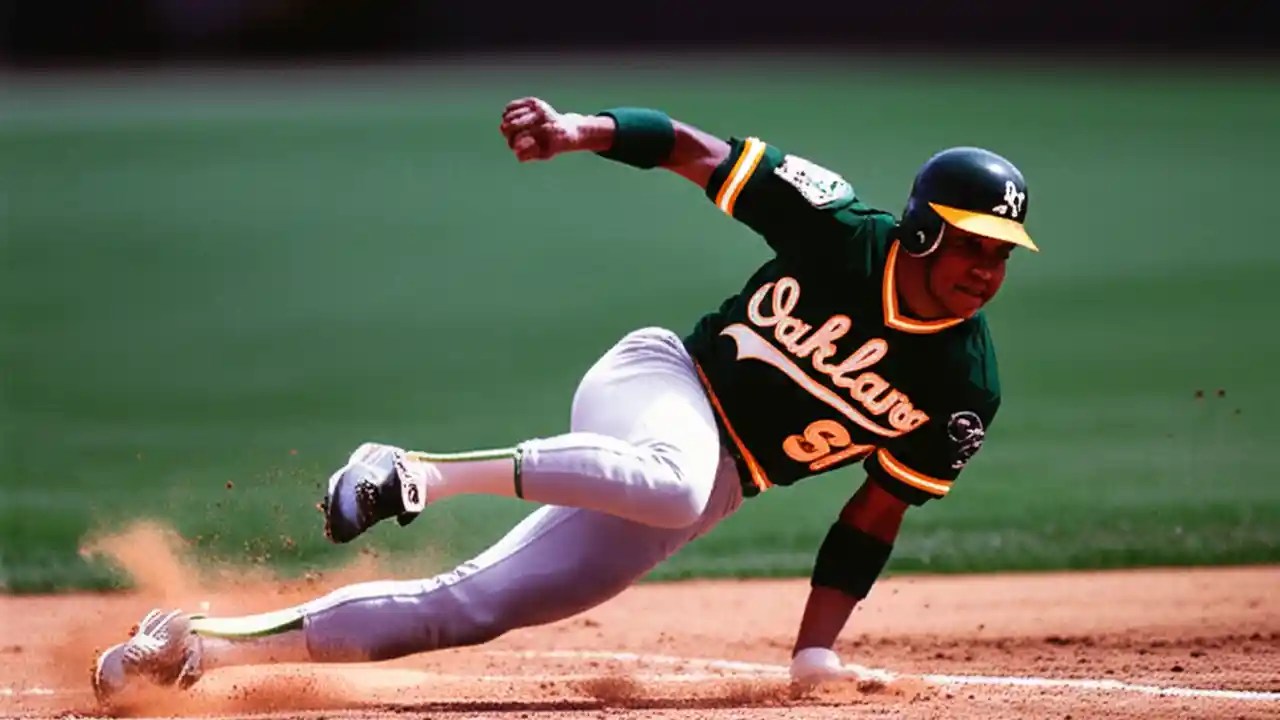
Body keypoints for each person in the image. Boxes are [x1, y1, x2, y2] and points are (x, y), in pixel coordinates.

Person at [91, 96, 1037, 703]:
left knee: (468, 607)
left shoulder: (964, 389)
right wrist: (581, 130)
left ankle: (193, 646)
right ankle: (414, 471)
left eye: (1000, 253)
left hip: (713, 482)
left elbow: (874, 515)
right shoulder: (843, 233)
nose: (985, 269)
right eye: (971, 244)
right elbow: (694, 150)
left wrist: (813, 656)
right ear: (921, 232)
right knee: (672, 478)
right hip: (662, 382)